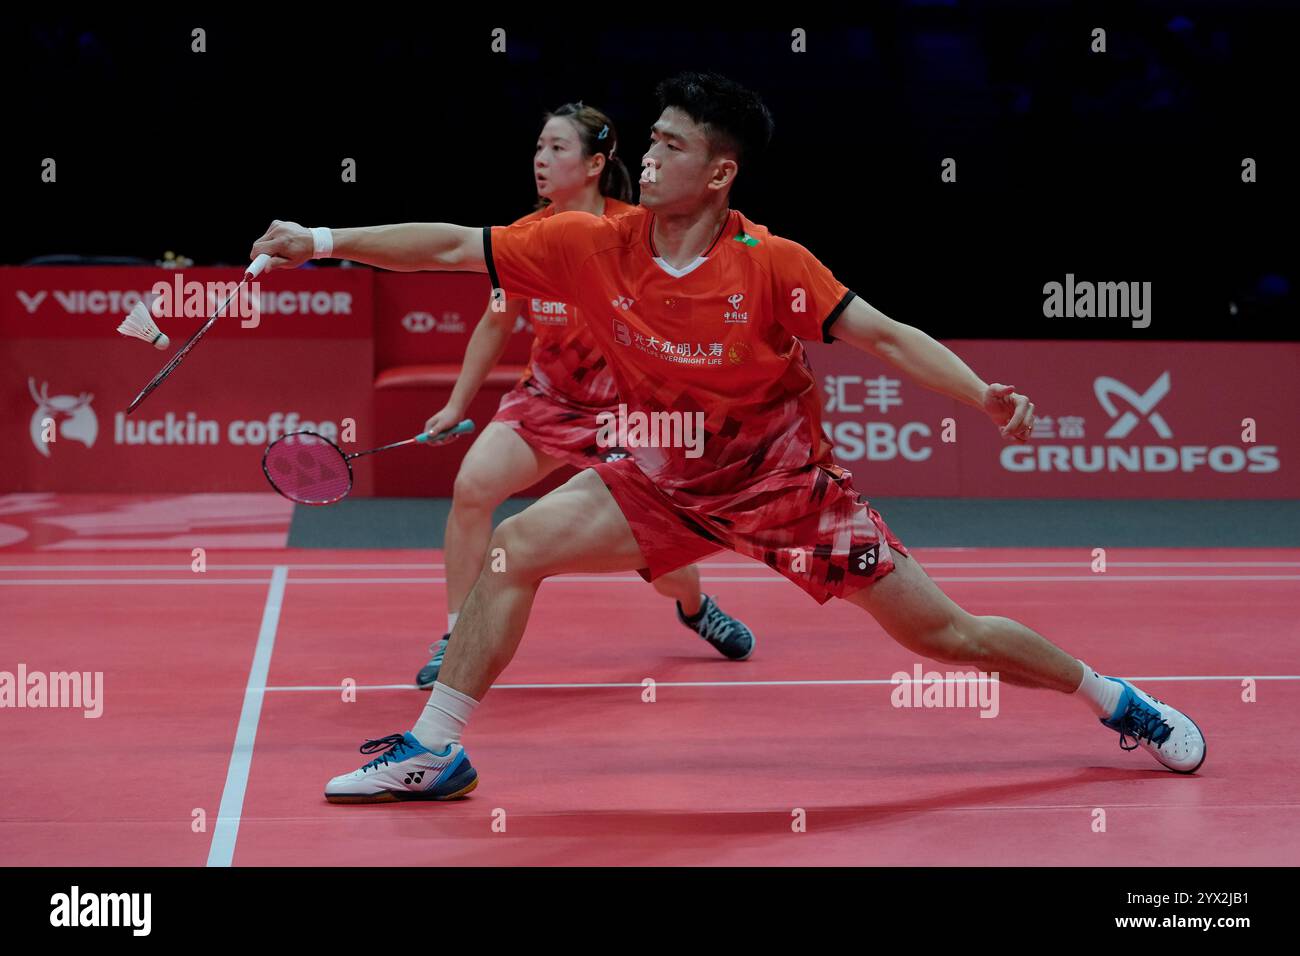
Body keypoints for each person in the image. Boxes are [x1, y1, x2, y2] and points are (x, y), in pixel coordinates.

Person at [250, 72, 1206, 804]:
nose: (648, 160)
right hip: (662, 479)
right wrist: (323, 234)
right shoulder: (589, 245)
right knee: (512, 548)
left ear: (718, 171)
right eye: (650, 143)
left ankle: (1115, 700)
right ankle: (435, 748)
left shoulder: (769, 264)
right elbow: (455, 244)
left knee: (946, 636)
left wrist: (979, 394)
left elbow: (882, 332)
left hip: (790, 491)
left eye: (669, 146)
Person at [414, 101, 755, 690]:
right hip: (544, 402)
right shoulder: (526, 236)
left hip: (625, 414)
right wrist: (456, 403)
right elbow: (496, 322)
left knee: (658, 558)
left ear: (595, 163)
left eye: (556, 148)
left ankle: (695, 608)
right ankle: (455, 635)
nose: (540, 160)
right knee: (472, 488)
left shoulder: (637, 230)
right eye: (539, 148)